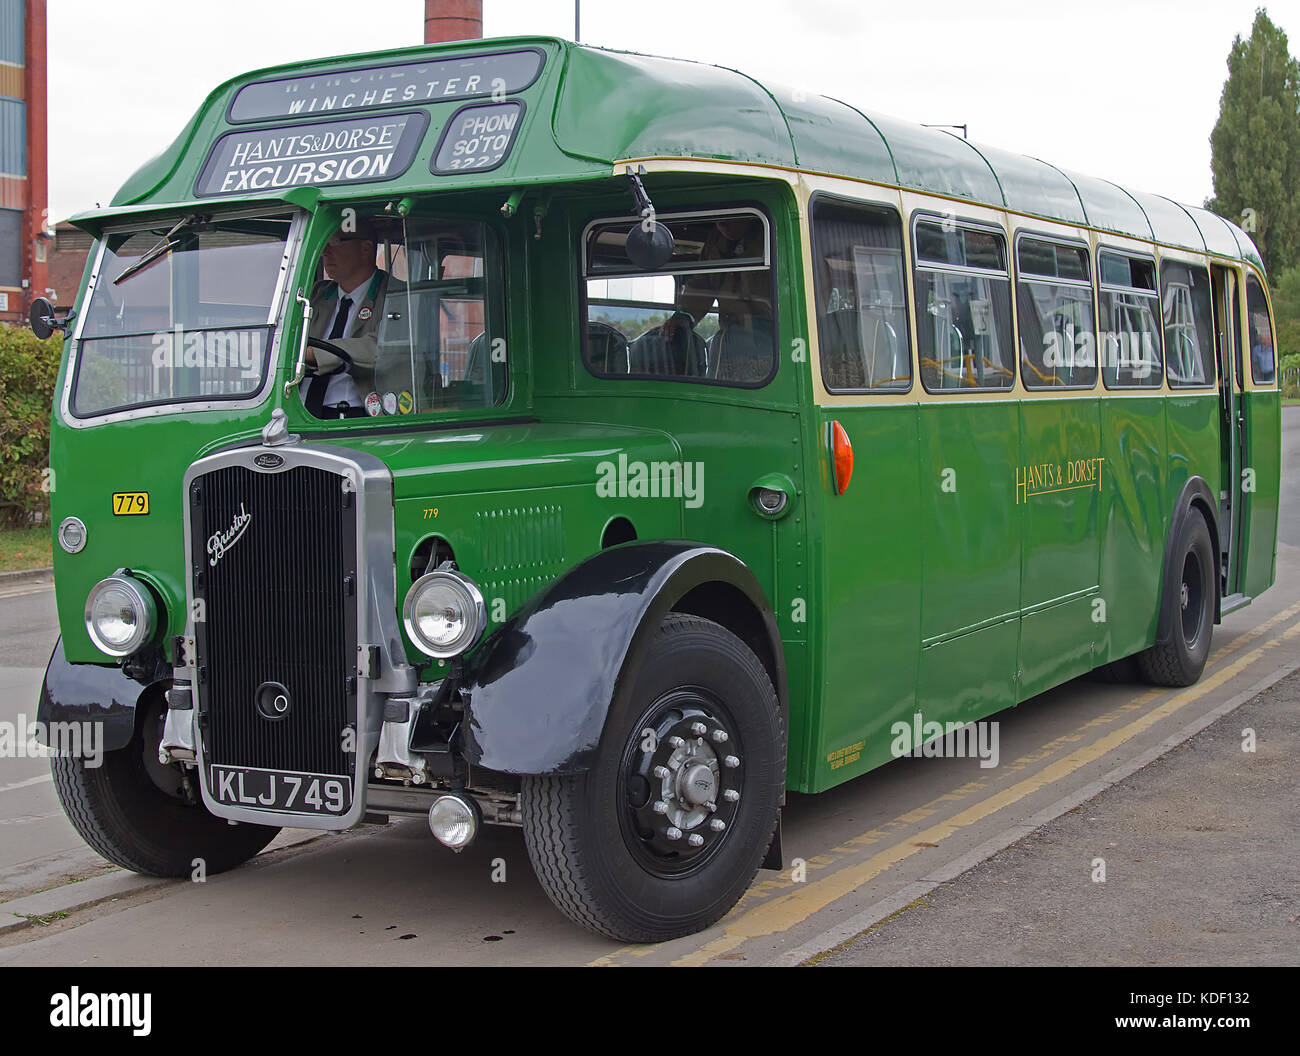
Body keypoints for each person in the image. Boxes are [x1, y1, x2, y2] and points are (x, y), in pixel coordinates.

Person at [660, 215, 773, 379]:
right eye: (717, 219)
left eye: (730, 215)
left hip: (771, 345)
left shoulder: (771, 232)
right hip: (730, 345)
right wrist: (684, 316)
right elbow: (702, 284)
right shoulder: (715, 240)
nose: (721, 224)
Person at [301, 221, 390, 418]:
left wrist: (312, 353)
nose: (325, 251)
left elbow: (379, 349)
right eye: (324, 243)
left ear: (365, 248)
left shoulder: (396, 294)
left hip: (358, 416)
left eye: (335, 242)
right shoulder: (317, 294)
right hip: (303, 413)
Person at [1250, 318, 1275, 383]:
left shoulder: (1273, 349)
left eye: (1268, 337)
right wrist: (1258, 373)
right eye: (1263, 337)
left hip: (1272, 374)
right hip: (1261, 373)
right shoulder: (1256, 350)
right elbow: (1255, 363)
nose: (1265, 339)